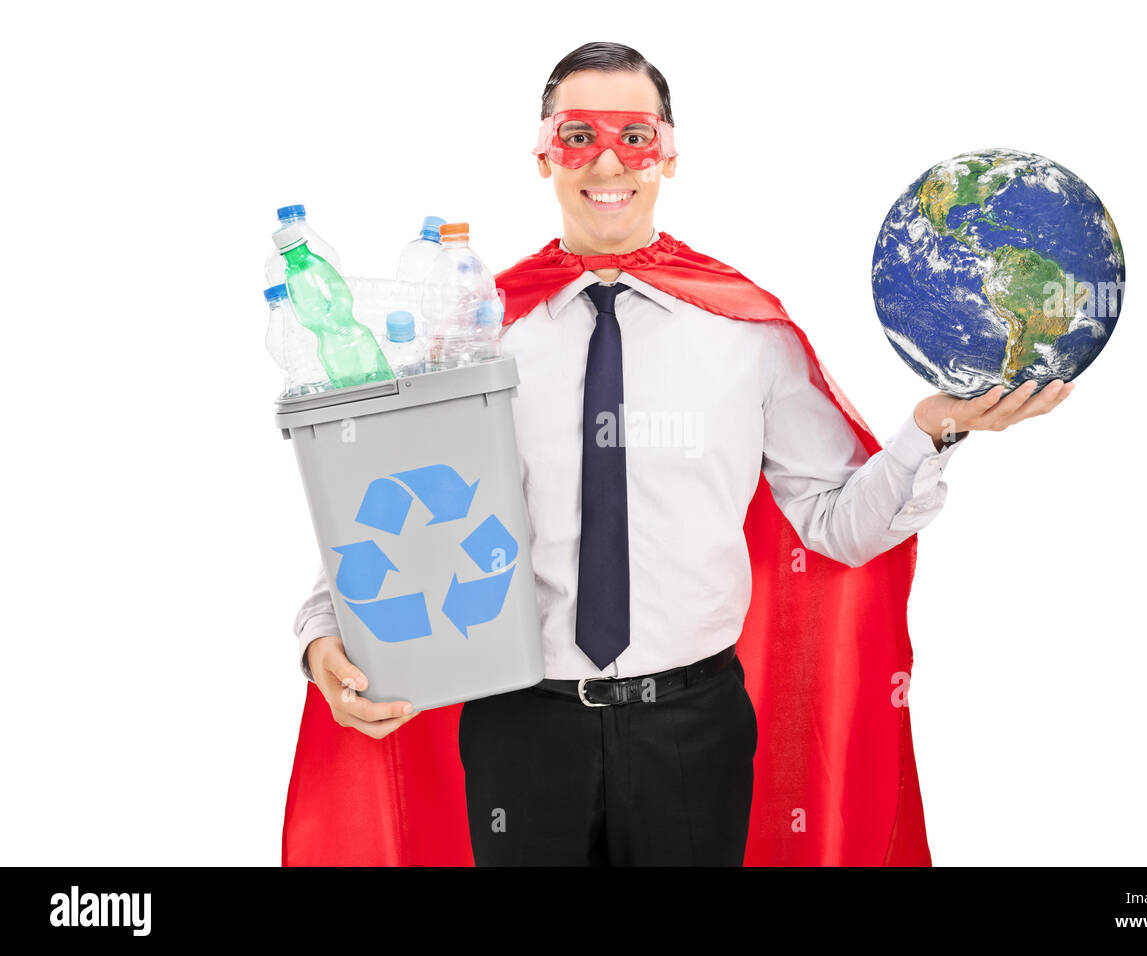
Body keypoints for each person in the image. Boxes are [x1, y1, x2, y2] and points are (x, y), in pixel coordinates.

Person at [283, 41, 1074, 866]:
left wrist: (933, 428)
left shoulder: (746, 331)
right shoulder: (479, 332)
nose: (608, 161)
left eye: (636, 135)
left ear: (669, 153)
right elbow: (393, 498)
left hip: (693, 728)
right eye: (579, 135)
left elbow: (837, 526)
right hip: (520, 724)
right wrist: (322, 633)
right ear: (543, 154)